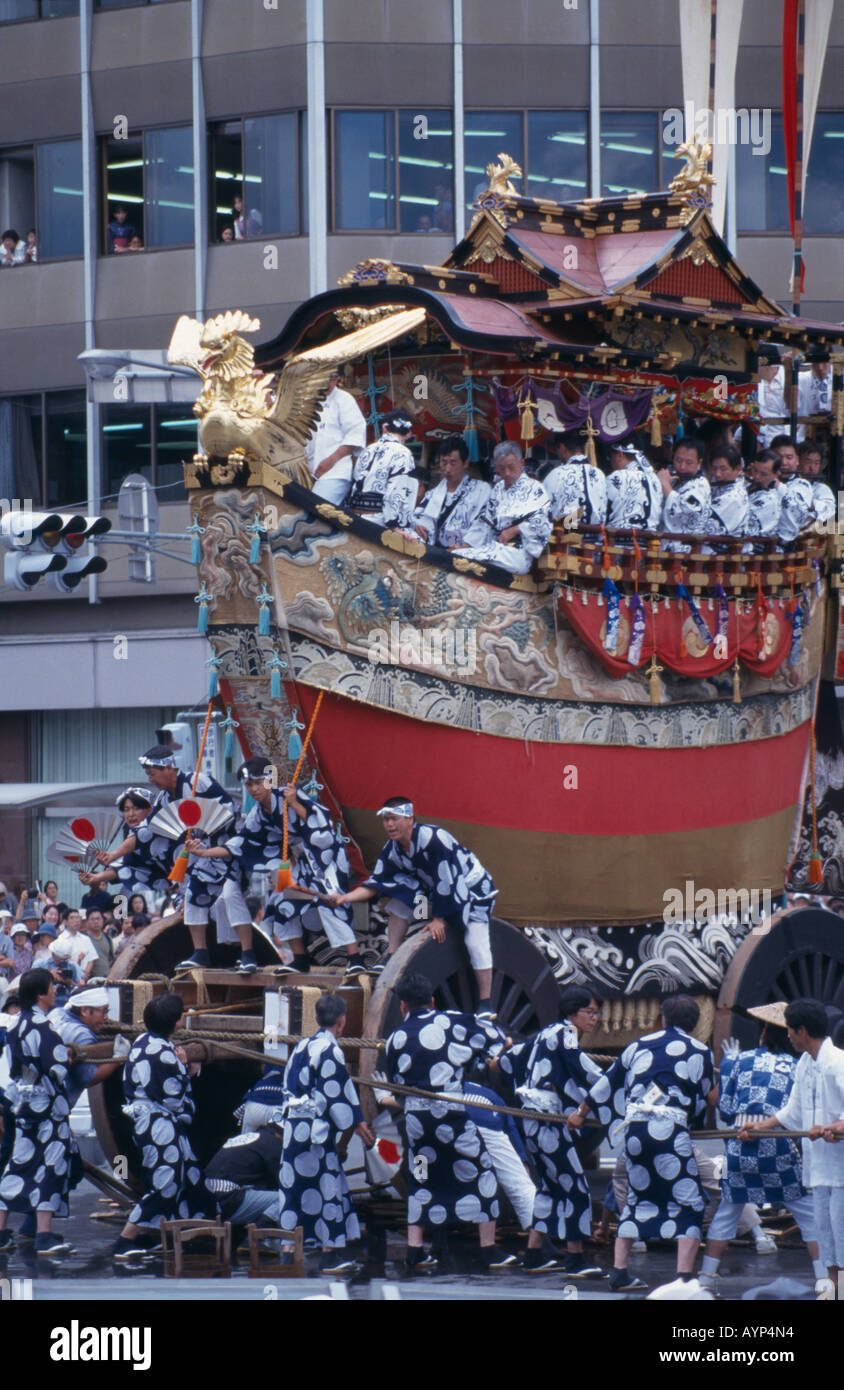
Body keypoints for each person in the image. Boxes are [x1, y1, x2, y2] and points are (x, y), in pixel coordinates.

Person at [569, 993, 714, 1293]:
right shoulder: (700, 1050)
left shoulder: (638, 1045)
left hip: (635, 1130)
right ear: (696, 1024)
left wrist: (580, 1114)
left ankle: (620, 1273)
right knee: (689, 1201)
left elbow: (607, 1083)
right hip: (670, 1131)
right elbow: (703, 1097)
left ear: (662, 1019)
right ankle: (684, 1278)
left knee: (637, 1198)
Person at [380, 972, 508, 1270]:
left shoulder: (394, 1039)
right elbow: (491, 1035)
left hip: (416, 1123)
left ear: (403, 1006)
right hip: (448, 1118)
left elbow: (397, 1086)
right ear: (432, 1002)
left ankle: (415, 1251)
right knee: (481, 1170)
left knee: (421, 1177)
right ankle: (487, 1249)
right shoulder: (448, 1020)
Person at [700, 1002, 826, 1295]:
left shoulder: (735, 1061)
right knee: (806, 1214)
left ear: (764, 1031)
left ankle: (706, 1278)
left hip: (740, 1147)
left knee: (728, 1212)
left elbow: (727, 1108)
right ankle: (822, 1277)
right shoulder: (798, 1065)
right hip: (777, 1147)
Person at [331, 796, 496, 1009]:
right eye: (385, 820)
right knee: (400, 901)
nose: (389, 825)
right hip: (436, 894)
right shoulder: (393, 848)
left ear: (410, 818)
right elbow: (377, 882)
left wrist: (439, 919)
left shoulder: (434, 839)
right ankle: (391, 954)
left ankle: (486, 1002)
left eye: (394, 819)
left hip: (472, 893)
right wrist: (345, 898)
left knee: (476, 942)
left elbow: (447, 879)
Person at [738, 998, 844, 1299]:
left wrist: (834, 1127)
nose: (787, 1036)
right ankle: (836, 1292)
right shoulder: (806, 1065)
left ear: (803, 1030)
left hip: (841, 1167)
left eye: (790, 1030)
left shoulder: (839, 1063)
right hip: (820, 1166)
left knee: (842, 1234)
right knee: (827, 1239)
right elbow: (793, 1111)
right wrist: (762, 1126)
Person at [227, 757, 365, 977]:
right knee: (283, 901)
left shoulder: (288, 795)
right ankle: (300, 958)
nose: (253, 789)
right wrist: (205, 852)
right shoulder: (258, 813)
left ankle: (354, 958)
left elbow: (320, 824)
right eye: (249, 785)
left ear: (269, 780)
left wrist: (294, 804)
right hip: (300, 860)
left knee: (329, 899)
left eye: (258, 782)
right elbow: (246, 840)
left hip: (323, 855)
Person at [114, 992, 216, 1261]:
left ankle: (179, 1233)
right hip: (159, 1124)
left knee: (190, 1176)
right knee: (166, 1181)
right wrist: (187, 1069)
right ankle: (126, 1238)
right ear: (176, 1022)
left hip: (147, 1123)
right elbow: (173, 1099)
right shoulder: (166, 1054)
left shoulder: (142, 1042)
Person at [277, 992, 373, 1273]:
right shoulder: (331, 1050)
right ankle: (329, 1253)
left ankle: (287, 1251)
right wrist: (356, 1121)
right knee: (326, 1186)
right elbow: (337, 1093)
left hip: (294, 1128)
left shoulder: (301, 1046)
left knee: (293, 1188)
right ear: (342, 1022)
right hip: (315, 1133)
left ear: (317, 1018)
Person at [515, 987, 606, 1276]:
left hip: (531, 1119)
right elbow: (583, 1070)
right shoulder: (565, 1033)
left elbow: (513, 1058)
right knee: (574, 1185)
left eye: (596, 1012)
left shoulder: (545, 1033)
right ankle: (576, 1259)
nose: (595, 1018)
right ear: (571, 1013)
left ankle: (532, 1254)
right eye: (589, 1012)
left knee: (550, 1187)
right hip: (546, 1121)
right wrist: (613, 1081)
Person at [137, 746, 235, 971]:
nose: (150, 779)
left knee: (225, 900)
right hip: (196, 857)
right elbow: (148, 828)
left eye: (152, 773)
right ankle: (201, 952)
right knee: (193, 894)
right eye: (148, 775)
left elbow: (229, 810)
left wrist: (204, 832)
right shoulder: (164, 798)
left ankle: (236, 951)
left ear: (169, 767)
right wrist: (115, 854)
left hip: (223, 851)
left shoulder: (198, 782)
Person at [0, 969, 73, 1255]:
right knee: (52, 1166)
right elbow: (57, 1069)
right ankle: (44, 1235)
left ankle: (1, 1232)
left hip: (24, 1104)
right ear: (41, 994)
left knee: (18, 1165)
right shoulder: (44, 1026)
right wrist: (66, 1058)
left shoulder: (16, 1023)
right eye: (52, 987)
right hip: (48, 1108)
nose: (55, 990)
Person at [454, 440, 552, 575]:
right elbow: (485, 522)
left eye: (511, 467)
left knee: (468, 558)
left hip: (519, 552)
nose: (506, 473)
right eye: (501, 468)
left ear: (521, 463)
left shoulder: (535, 488)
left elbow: (545, 524)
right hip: (495, 547)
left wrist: (516, 529)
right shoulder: (498, 489)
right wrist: (468, 544)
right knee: (458, 554)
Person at [84, 786, 173, 907]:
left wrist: (113, 855)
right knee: (122, 902)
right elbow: (127, 865)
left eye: (136, 808)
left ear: (150, 810)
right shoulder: (130, 831)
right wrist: (96, 877)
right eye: (126, 809)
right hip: (157, 884)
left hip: (188, 880)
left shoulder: (156, 827)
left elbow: (141, 837)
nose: (130, 814)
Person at [48, 984, 125, 1111]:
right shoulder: (83, 1035)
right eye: (104, 1011)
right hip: (56, 1108)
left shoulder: (56, 1013)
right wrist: (118, 1058)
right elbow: (88, 1079)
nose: (106, 1017)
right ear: (84, 1011)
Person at [412, 436, 491, 549]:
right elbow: (417, 518)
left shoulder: (482, 490)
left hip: (463, 553)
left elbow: (484, 523)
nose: (447, 469)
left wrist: (466, 546)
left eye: (453, 463)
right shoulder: (432, 494)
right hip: (433, 553)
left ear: (465, 463)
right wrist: (416, 526)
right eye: (444, 462)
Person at [205, 1119, 285, 1230]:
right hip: (226, 1199)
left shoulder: (253, 1137)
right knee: (285, 1199)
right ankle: (257, 1234)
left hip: (207, 1196)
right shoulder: (273, 1143)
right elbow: (282, 1180)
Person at [308, 371, 368, 504]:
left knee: (316, 509)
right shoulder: (309, 400)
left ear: (337, 379)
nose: (327, 383)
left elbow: (355, 434)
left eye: (331, 379)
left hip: (335, 471)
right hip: (307, 469)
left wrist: (330, 461)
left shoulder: (344, 399)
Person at [346, 410, 416, 518]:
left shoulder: (368, 449)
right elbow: (395, 491)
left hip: (354, 514)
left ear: (384, 428)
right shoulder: (403, 453)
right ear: (408, 434)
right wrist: (393, 523)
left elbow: (356, 481)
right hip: (379, 519)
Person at [540, 432, 607, 529]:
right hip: (596, 538)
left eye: (556, 449)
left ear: (562, 448)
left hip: (564, 538)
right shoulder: (599, 474)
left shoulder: (556, 474)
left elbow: (542, 510)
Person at [658, 437, 711, 543]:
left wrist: (664, 484)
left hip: (684, 547)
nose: (682, 467)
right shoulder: (673, 480)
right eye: (678, 460)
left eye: (689, 463)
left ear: (699, 463)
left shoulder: (701, 484)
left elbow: (681, 512)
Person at [605, 441, 663, 531]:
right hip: (650, 540)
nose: (611, 462)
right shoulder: (655, 478)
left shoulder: (616, 476)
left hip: (619, 541)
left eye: (610, 457)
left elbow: (601, 512)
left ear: (620, 455)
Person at [704, 444, 749, 542]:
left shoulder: (735, 496)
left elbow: (703, 526)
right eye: (714, 468)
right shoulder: (717, 486)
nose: (717, 474)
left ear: (737, 468)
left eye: (723, 469)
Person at [745, 448, 783, 543]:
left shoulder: (771, 499)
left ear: (776, 474)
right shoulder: (744, 485)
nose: (757, 477)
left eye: (763, 474)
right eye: (755, 471)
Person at [797, 440, 836, 524]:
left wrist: (807, 500)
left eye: (816, 463)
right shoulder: (788, 484)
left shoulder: (822, 489)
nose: (812, 468)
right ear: (798, 461)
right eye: (808, 462)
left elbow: (829, 511)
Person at [54, 908, 96, 983]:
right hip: (68, 979)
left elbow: (91, 960)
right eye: (72, 918)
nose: (76, 920)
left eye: (78, 917)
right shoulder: (60, 940)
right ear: (65, 922)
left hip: (85, 978)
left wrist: (85, 974)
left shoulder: (86, 939)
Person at [83, 908, 114, 978]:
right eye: (93, 919)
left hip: (106, 979)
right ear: (87, 922)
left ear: (103, 920)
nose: (96, 922)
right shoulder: (84, 939)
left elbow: (110, 959)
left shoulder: (107, 938)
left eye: (98, 918)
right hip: (90, 981)